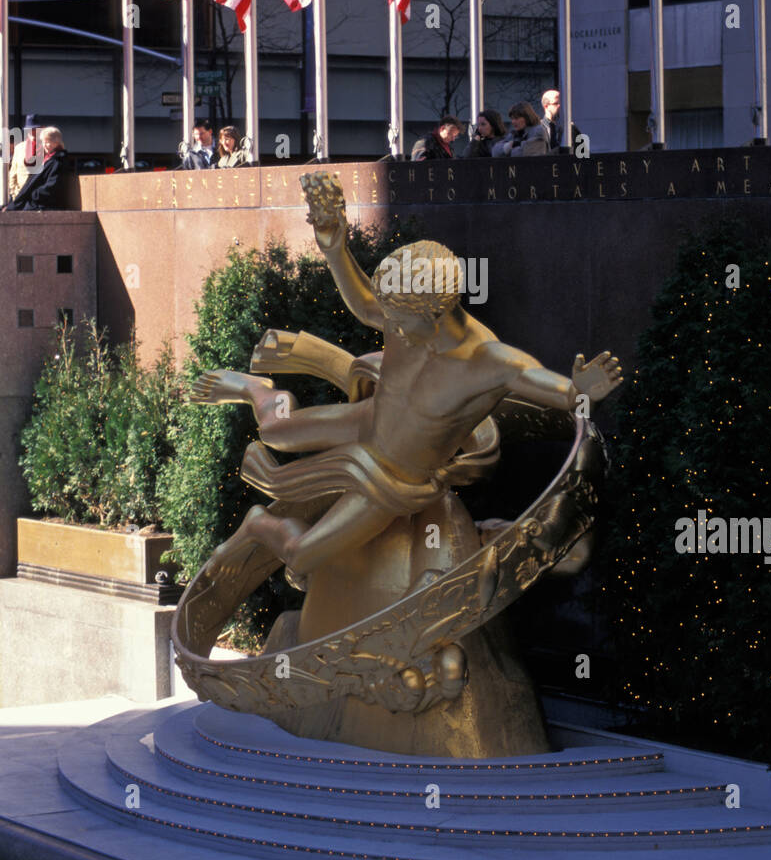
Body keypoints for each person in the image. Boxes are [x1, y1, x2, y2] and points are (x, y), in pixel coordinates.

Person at [190, 169, 622, 585]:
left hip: (393, 479)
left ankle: (258, 524)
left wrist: (582, 391)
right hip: (368, 419)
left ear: (436, 314)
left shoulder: (488, 361)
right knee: (273, 430)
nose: (387, 327)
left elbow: (563, 397)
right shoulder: (407, 318)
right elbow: (363, 305)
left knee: (302, 555)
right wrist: (334, 247)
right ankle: (256, 389)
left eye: (396, 320)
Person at [3, 127, 71, 211]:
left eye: (47, 142)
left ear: (56, 143)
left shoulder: (58, 161)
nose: (44, 145)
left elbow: (52, 185)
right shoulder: (49, 158)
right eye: (43, 142)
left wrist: (33, 195)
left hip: (41, 205)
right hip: (30, 200)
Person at [7, 114, 43, 203]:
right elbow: (13, 173)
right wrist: (15, 194)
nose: (33, 132)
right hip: (20, 196)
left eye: (36, 129)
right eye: (31, 129)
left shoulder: (46, 147)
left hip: (38, 197)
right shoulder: (19, 148)